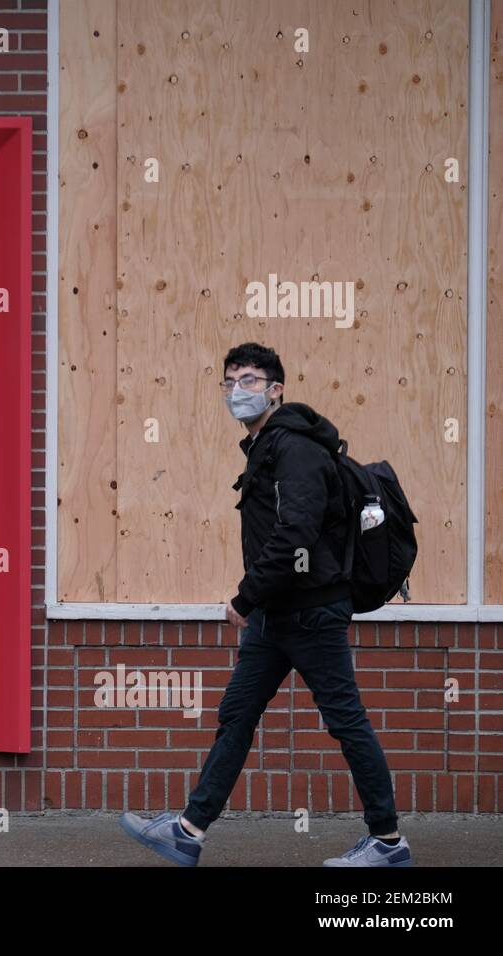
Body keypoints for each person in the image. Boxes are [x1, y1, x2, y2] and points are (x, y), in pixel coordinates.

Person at [119, 342, 411, 867]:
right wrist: (260, 601)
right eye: (230, 381)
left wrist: (244, 596)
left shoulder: (294, 447)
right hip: (277, 614)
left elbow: (296, 535)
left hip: (311, 611)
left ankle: (388, 842)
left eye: (250, 380)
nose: (238, 391)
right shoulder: (266, 447)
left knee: (346, 721)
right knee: (237, 715)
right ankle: (188, 831)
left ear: (276, 389)